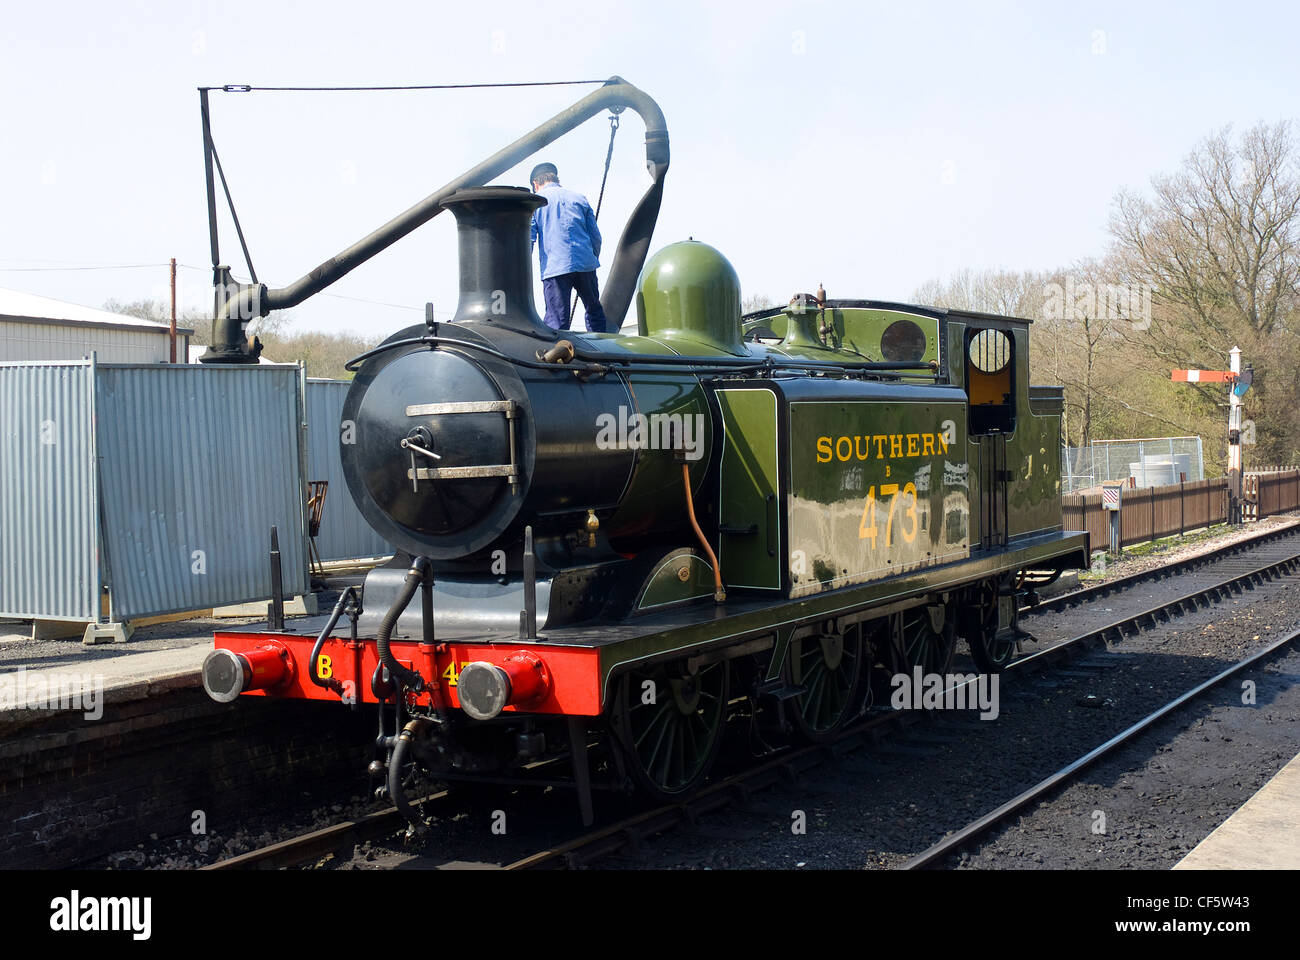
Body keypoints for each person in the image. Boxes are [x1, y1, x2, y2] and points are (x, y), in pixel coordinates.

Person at [528, 162, 608, 333]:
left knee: (557, 321)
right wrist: (591, 258)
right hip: (586, 264)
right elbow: (596, 237)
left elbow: (529, 240)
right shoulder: (579, 198)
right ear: (555, 178)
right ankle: (602, 354)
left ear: (536, 184)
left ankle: (555, 356)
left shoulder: (536, 203)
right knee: (595, 312)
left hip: (555, 269)